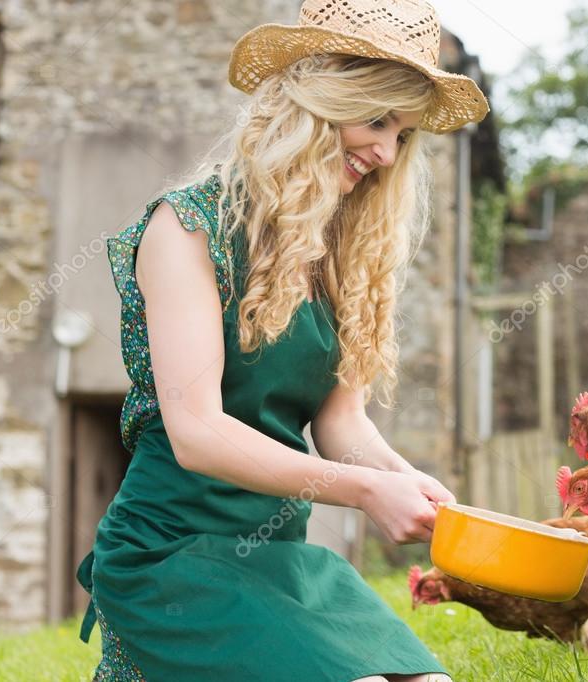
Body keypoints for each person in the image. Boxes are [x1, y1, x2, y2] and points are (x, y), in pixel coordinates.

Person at [74, 0, 489, 679]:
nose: (386, 153)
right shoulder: (187, 230)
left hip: (275, 551)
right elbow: (196, 432)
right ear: (319, 101)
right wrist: (362, 492)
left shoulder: (342, 254)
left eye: (403, 135)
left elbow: (339, 420)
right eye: (378, 119)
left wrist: (403, 481)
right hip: (169, 554)